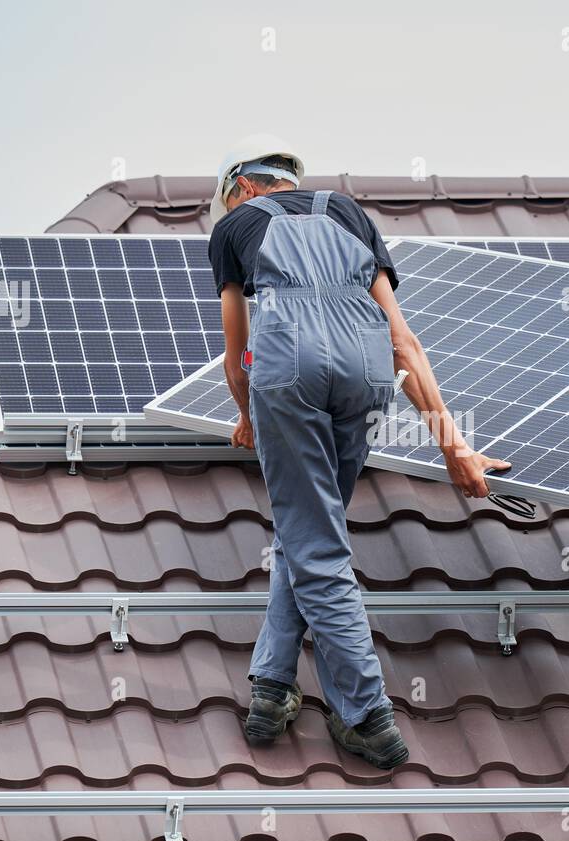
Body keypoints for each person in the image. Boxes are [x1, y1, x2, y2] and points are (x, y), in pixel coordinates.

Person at [208, 135, 510, 767]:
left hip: (289, 363)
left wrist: (245, 415)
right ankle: (270, 685)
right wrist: (456, 448)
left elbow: (238, 354)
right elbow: (404, 342)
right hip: (365, 367)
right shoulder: (349, 211)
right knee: (310, 524)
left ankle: (367, 716)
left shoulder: (235, 226)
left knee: (315, 544)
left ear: (244, 190)